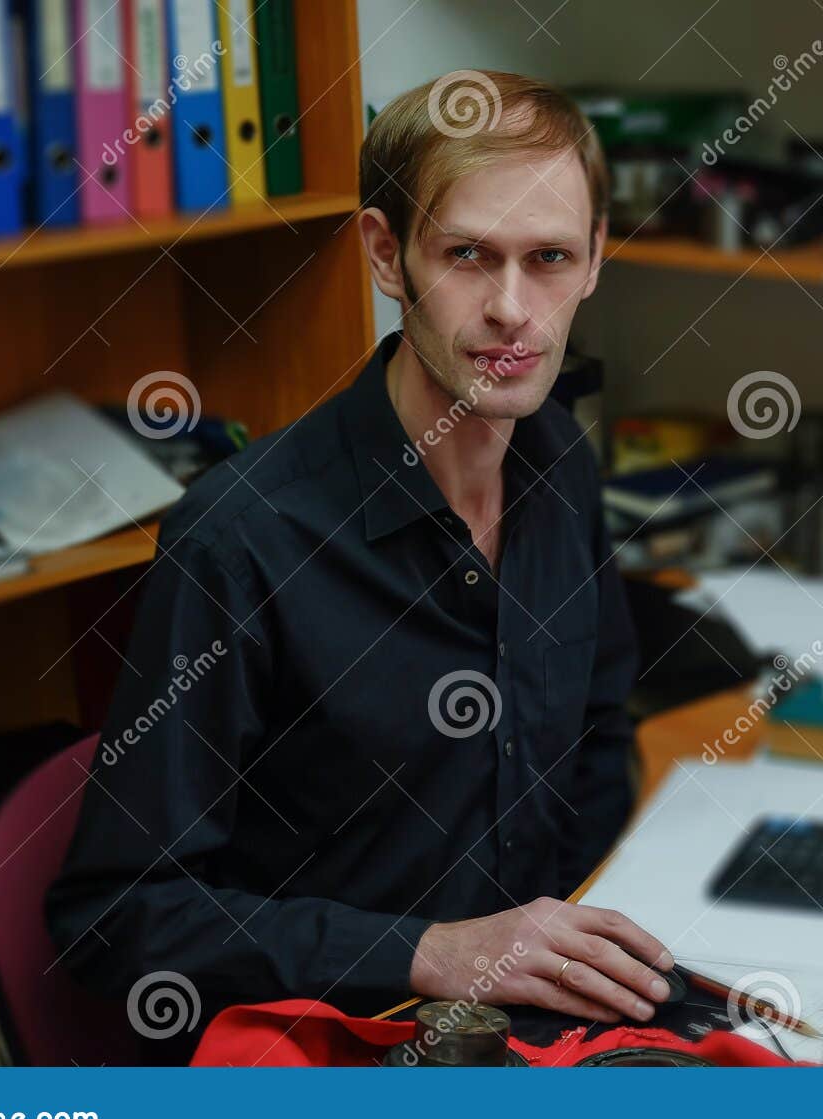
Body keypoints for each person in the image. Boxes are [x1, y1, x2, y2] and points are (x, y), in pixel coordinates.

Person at [45, 71, 675, 1059]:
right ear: (387, 254)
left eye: (548, 257)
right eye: (467, 254)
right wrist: (432, 951)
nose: (513, 309)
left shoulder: (559, 461)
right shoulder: (242, 538)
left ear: (595, 259)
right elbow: (119, 916)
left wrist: (609, 963)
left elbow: (597, 744)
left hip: (536, 1035)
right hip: (336, 1048)